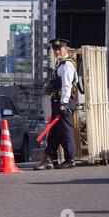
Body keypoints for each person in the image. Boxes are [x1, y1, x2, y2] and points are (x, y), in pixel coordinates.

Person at [35, 38, 78, 170]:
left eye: (59, 49)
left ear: (66, 49)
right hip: (57, 102)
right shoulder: (60, 64)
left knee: (65, 132)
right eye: (55, 49)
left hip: (63, 102)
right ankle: (48, 159)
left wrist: (63, 103)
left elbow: (67, 86)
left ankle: (70, 159)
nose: (57, 51)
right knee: (54, 132)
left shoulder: (66, 65)